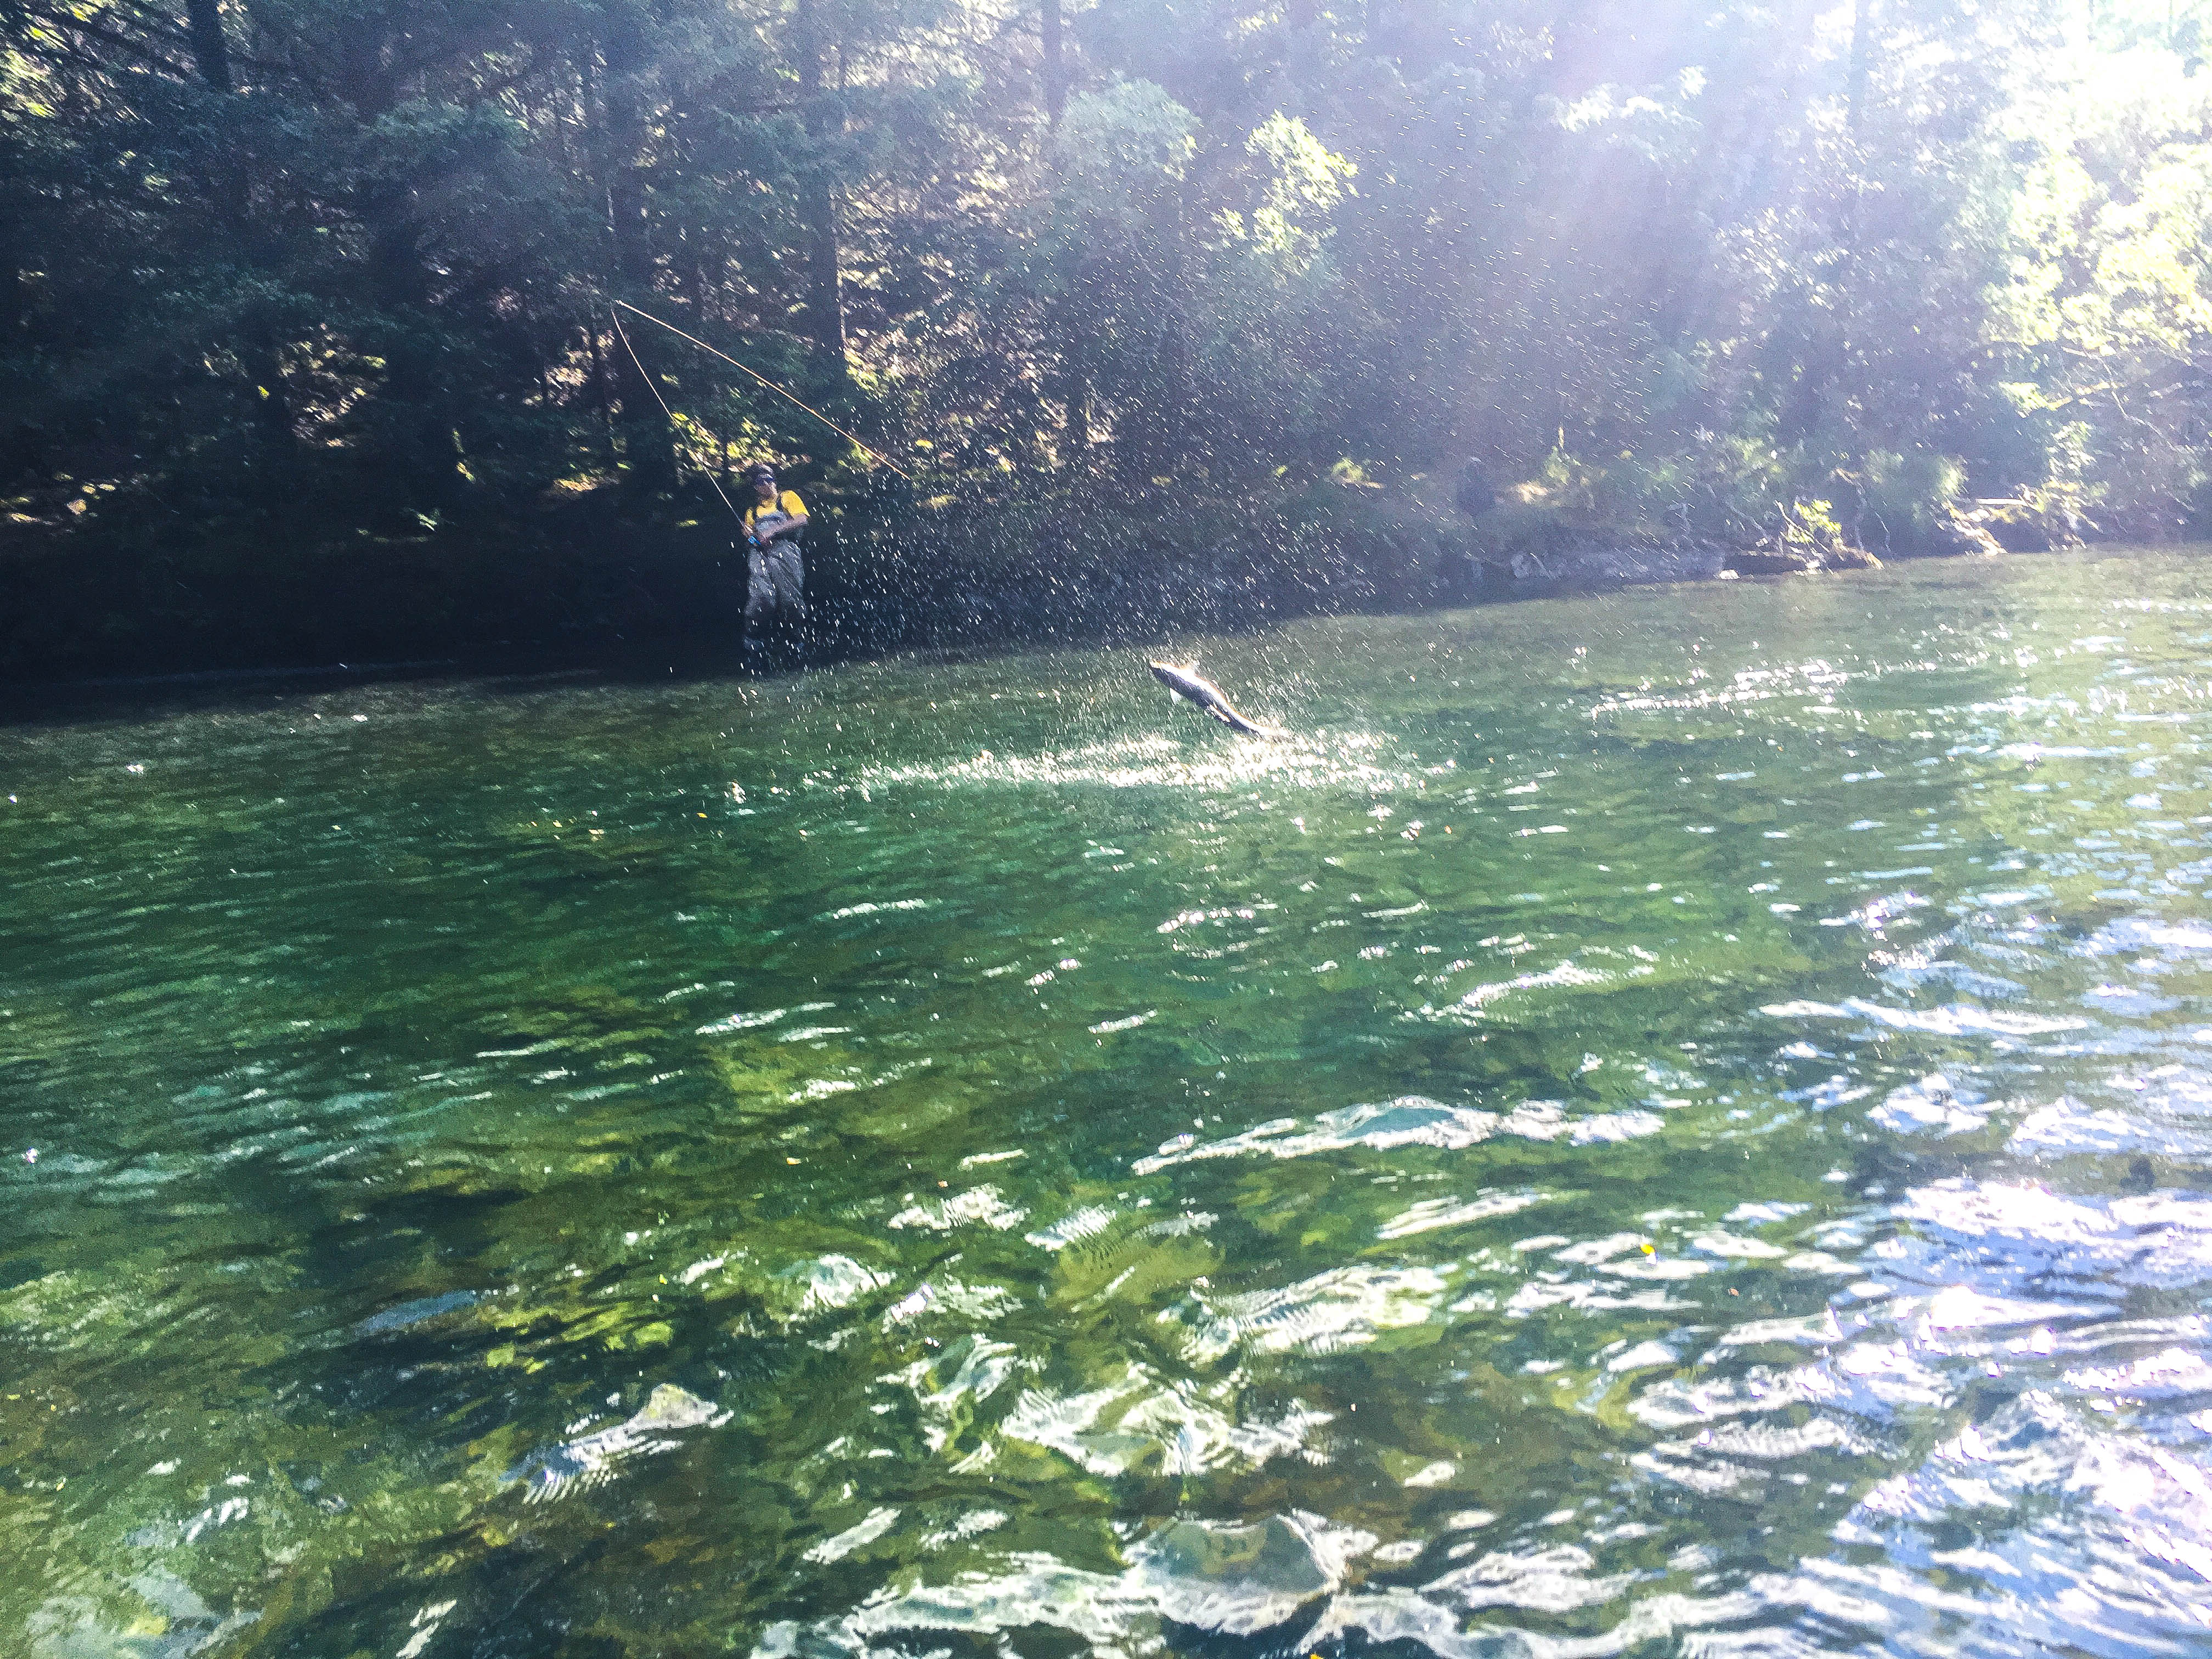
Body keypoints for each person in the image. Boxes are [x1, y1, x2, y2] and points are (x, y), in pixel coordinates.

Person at [739, 461, 809, 662]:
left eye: (769, 479)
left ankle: (795, 641)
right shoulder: (752, 512)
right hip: (759, 555)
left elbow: (802, 519)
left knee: (790, 599)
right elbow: (750, 537)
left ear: (774, 481)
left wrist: (772, 531)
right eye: (760, 482)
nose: (766, 484)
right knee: (762, 597)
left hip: (786, 551)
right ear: (755, 487)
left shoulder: (787, 497)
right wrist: (749, 534)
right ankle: (753, 641)